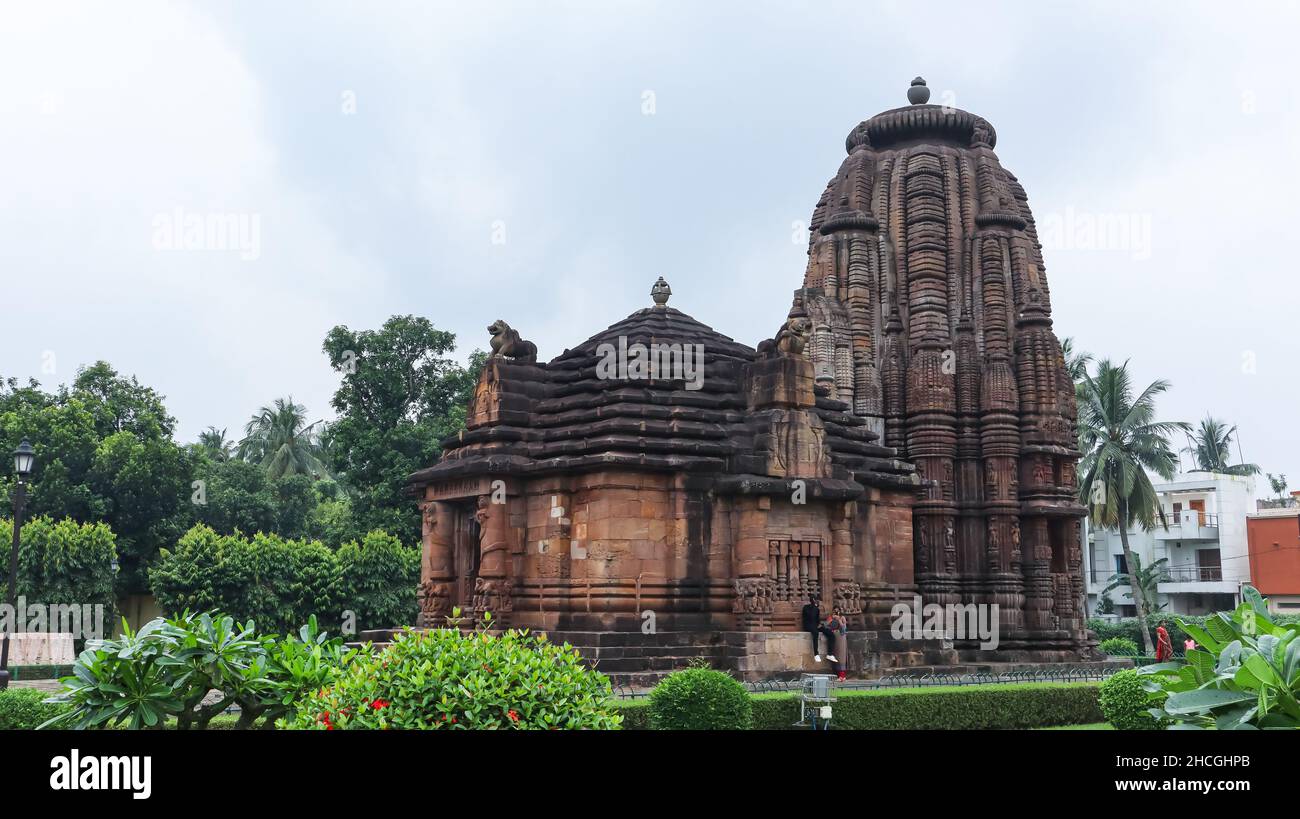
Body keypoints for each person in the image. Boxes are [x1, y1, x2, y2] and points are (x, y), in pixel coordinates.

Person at [801, 594, 824, 661]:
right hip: (808, 625)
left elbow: (817, 619)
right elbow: (810, 616)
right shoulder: (806, 607)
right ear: (813, 600)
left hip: (815, 625)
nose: (818, 602)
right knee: (816, 633)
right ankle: (816, 654)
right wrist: (814, 606)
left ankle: (830, 654)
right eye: (816, 600)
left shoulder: (816, 609)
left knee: (827, 630)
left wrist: (820, 625)